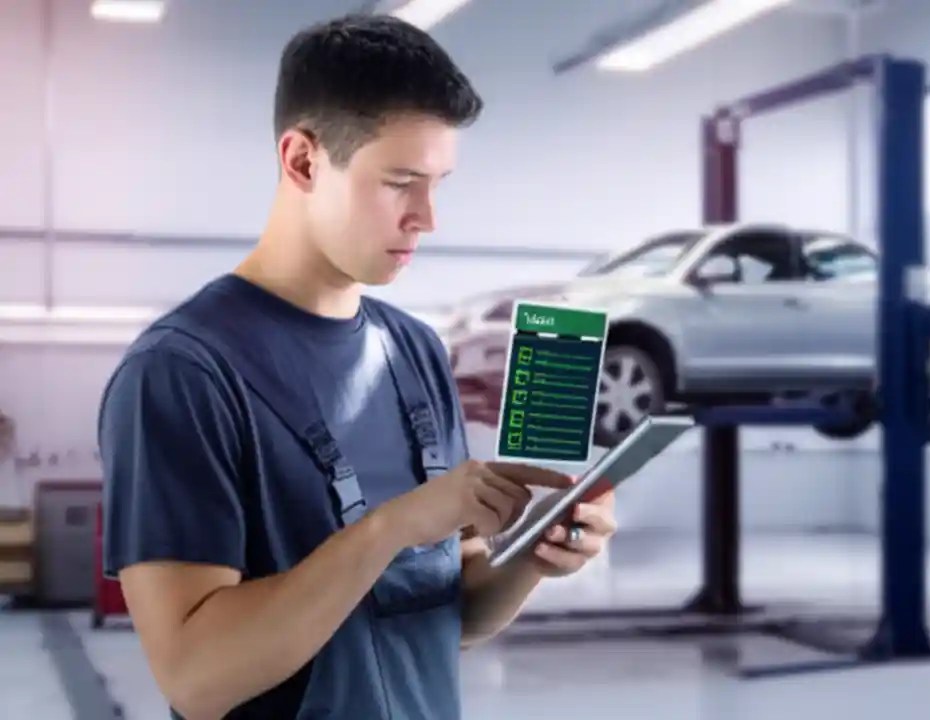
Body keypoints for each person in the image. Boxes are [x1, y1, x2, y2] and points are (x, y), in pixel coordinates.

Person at [97, 14, 617, 720]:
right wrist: (389, 528)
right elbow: (196, 679)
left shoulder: (415, 353)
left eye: (439, 183)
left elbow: (448, 616)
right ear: (303, 161)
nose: (427, 217)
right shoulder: (183, 375)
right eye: (400, 181)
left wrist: (530, 557)